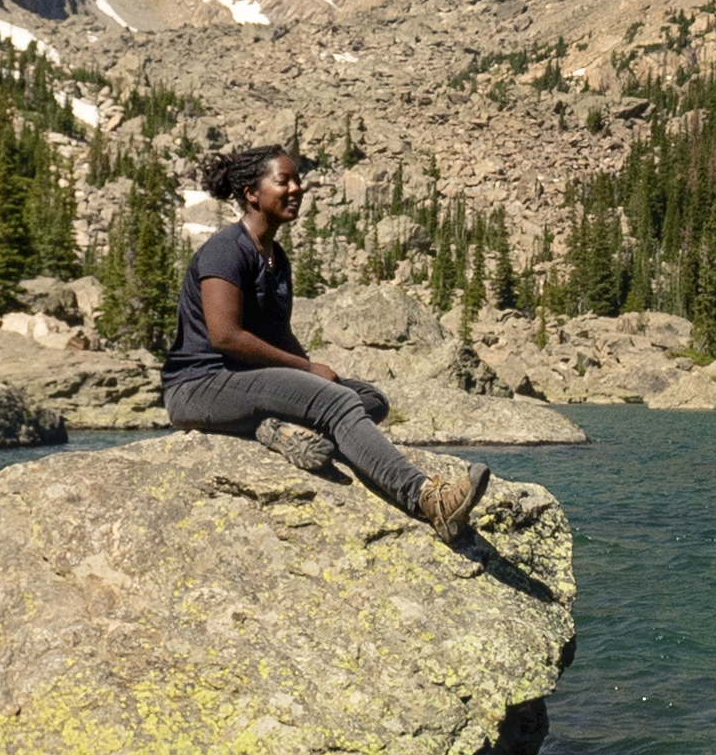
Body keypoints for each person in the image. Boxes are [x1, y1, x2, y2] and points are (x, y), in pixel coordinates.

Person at [160, 146, 489, 540]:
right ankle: (427, 500)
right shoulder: (226, 250)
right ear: (251, 193)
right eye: (284, 181)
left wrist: (314, 381)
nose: (296, 189)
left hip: (242, 381)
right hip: (199, 386)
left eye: (297, 180)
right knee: (337, 404)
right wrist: (306, 372)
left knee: (369, 399)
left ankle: (273, 428)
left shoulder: (275, 258)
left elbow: (279, 335)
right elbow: (224, 336)